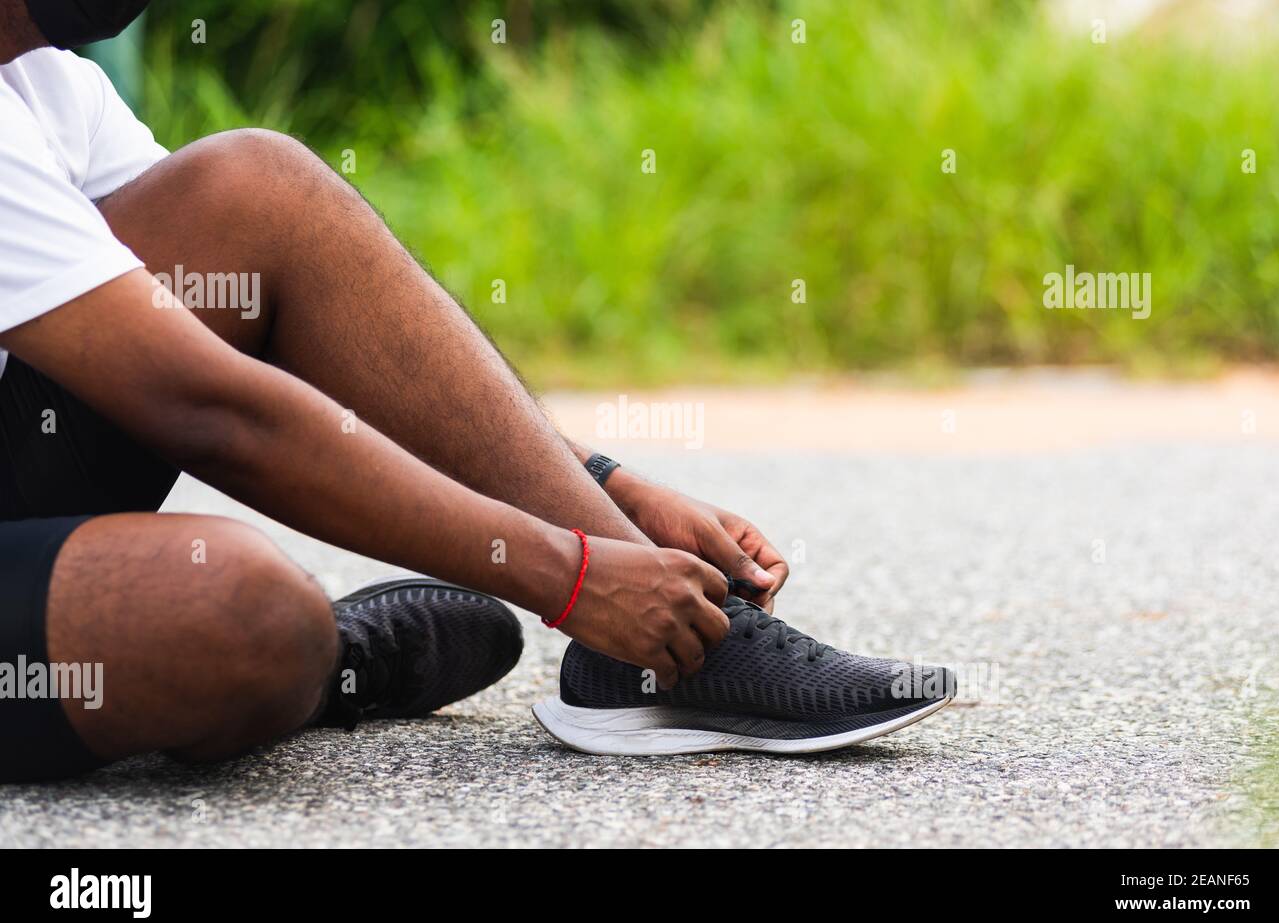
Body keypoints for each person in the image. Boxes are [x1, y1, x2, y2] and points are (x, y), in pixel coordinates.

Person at [0, 1, 953, 780]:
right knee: (246, 619)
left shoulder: (47, 85)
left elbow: (277, 325)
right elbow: (206, 406)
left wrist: (608, 497)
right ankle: (335, 663)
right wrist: (570, 575)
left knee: (258, 188)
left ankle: (678, 655)